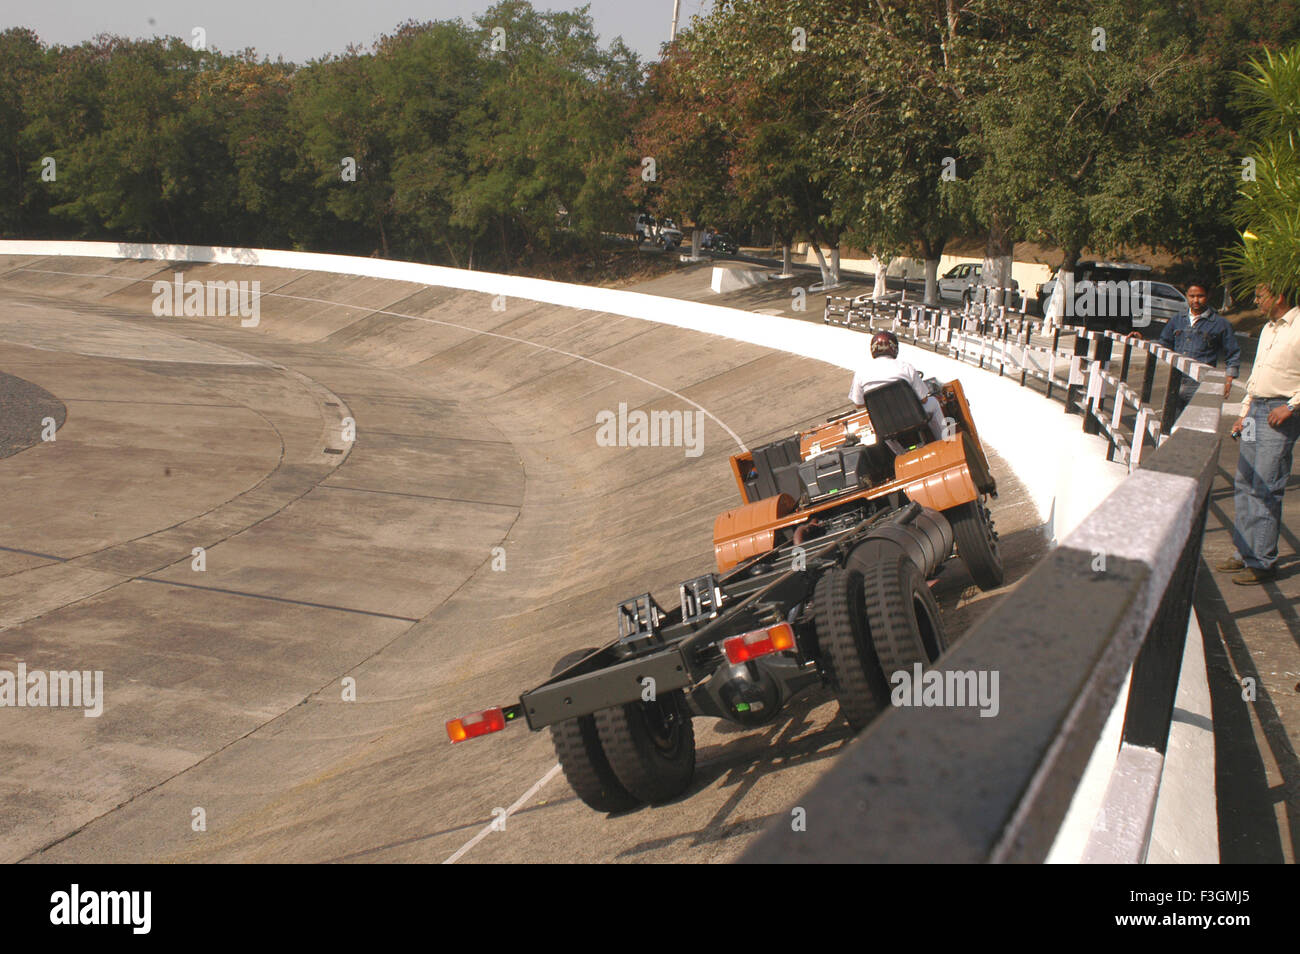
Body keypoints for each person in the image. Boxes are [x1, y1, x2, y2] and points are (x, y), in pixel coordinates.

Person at [1216, 282, 1300, 585]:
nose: (1256, 301)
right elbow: (1257, 375)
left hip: (1279, 413)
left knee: (1266, 484)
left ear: (1278, 295)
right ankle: (1244, 550)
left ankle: (1262, 560)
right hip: (1255, 411)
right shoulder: (1268, 328)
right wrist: (1243, 414)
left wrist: (1291, 406)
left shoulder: (1298, 326)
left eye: (1260, 296)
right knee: (1245, 480)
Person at [1128, 279, 1240, 418]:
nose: (1196, 300)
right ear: (1186, 295)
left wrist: (1228, 380)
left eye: (1200, 296)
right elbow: (1165, 344)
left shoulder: (1220, 324)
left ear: (1208, 295)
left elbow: (1233, 354)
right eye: (1192, 296)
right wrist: (1144, 341)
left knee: (1195, 424)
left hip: (1200, 384)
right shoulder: (1177, 320)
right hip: (1175, 381)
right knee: (1170, 422)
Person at [848, 330, 946, 439]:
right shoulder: (905, 367)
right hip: (912, 416)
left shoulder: (861, 373)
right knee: (934, 402)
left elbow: (858, 403)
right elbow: (923, 399)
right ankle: (945, 440)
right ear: (894, 348)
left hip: (883, 421)